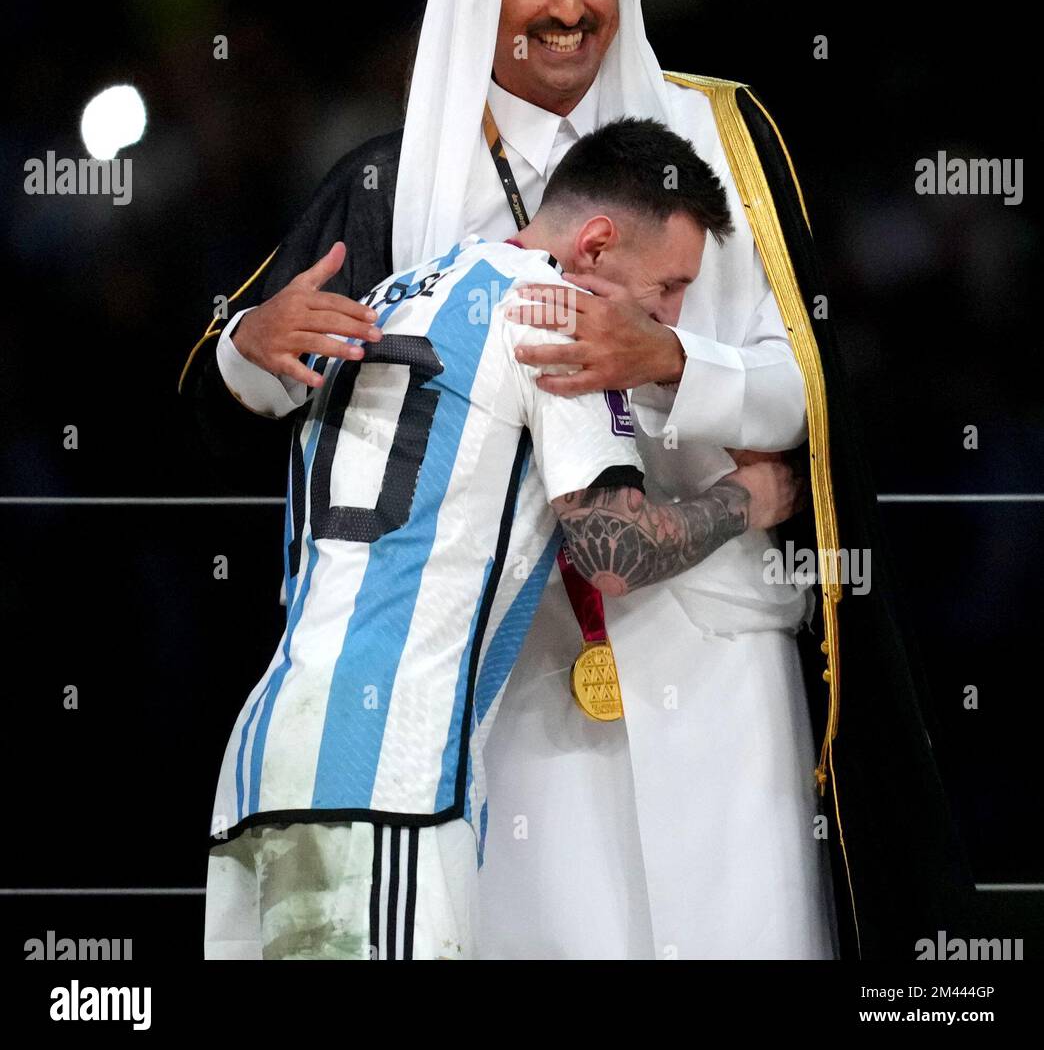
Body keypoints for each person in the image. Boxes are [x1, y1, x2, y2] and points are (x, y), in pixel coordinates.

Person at [181, 0, 973, 959]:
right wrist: (246, 346)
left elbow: (818, 390)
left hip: (725, 669)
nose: (568, 6)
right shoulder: (392, 180)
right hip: (510, 700)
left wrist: (670, 359)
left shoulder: (728, 136)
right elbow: (263, 388)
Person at [202, 117, 804, 960]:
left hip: (260, 767)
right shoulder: (555, 317)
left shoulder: (394, 290)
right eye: (668, 288)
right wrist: (754, 494)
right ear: (595, 243)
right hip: (390, 779)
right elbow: (615, 551)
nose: (668, 318)